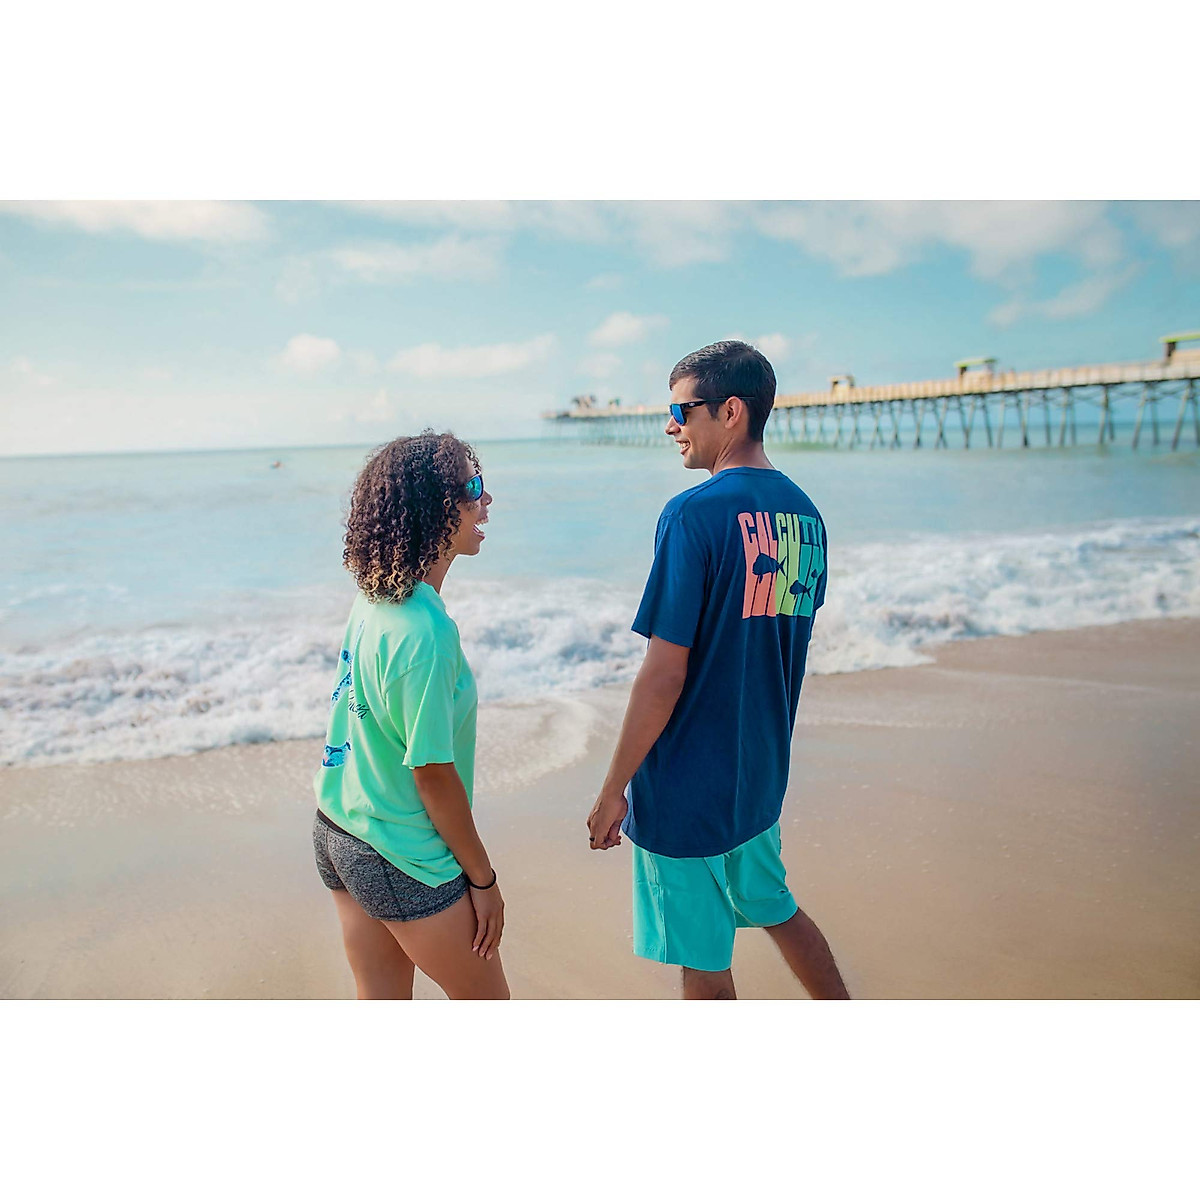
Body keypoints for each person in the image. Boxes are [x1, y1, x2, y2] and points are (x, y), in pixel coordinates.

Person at [587, 341, 850, 1000]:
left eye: (682, 410)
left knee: (704, 962)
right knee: (777, 909)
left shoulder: (691, 514)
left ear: (731, 411)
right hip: (758, 776)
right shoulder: (807, 518)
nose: (670, 425)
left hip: (686, 788)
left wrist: (615, 786)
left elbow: (664, 674)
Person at [312, 430, 509, 1000]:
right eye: (472, 487)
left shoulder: (374, 598)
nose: (486, 499)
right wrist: (483, 879)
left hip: (339, 827)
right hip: (403, 853)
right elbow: (432, 774)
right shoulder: (426, 632)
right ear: (431, 507)